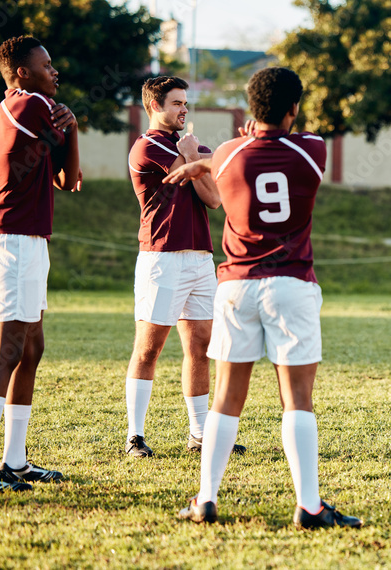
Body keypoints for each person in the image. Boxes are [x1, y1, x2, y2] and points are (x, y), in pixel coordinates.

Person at [165, 67, 362, 528]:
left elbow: (225, 160)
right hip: (291, 285)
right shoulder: (313, 150)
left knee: (227, 397)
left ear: (249, 110)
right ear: (293, 108)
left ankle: (206, 499)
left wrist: (202, 159)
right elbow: (294, 139)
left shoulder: (230, 151)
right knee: (297, 399)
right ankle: (309, 506)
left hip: (236, 285)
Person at [0, 35, 81, 492]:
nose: (56, 71)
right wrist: (67, 125)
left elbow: (68, 180)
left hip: (26, 240)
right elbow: (69, 178)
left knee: (31, 349)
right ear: (23, 72)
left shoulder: (28, 109)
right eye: (47, 64)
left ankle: (14, 461)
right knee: (6, 350)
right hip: (10, 239)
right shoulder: (30, 103)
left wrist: (74, 131)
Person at [124, 76, 244, 458]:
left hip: (200, 260)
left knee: (201, 346)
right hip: (161, 258)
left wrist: (194, 155)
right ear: (154, 106)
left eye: (185, 103)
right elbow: (189, 173)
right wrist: (193, 155)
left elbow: (213, 199)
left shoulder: (194, 148)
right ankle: (135, 436)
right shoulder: (146, 147)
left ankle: (199, 434)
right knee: (149, 348)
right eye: (176, 103)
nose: (184, 110)